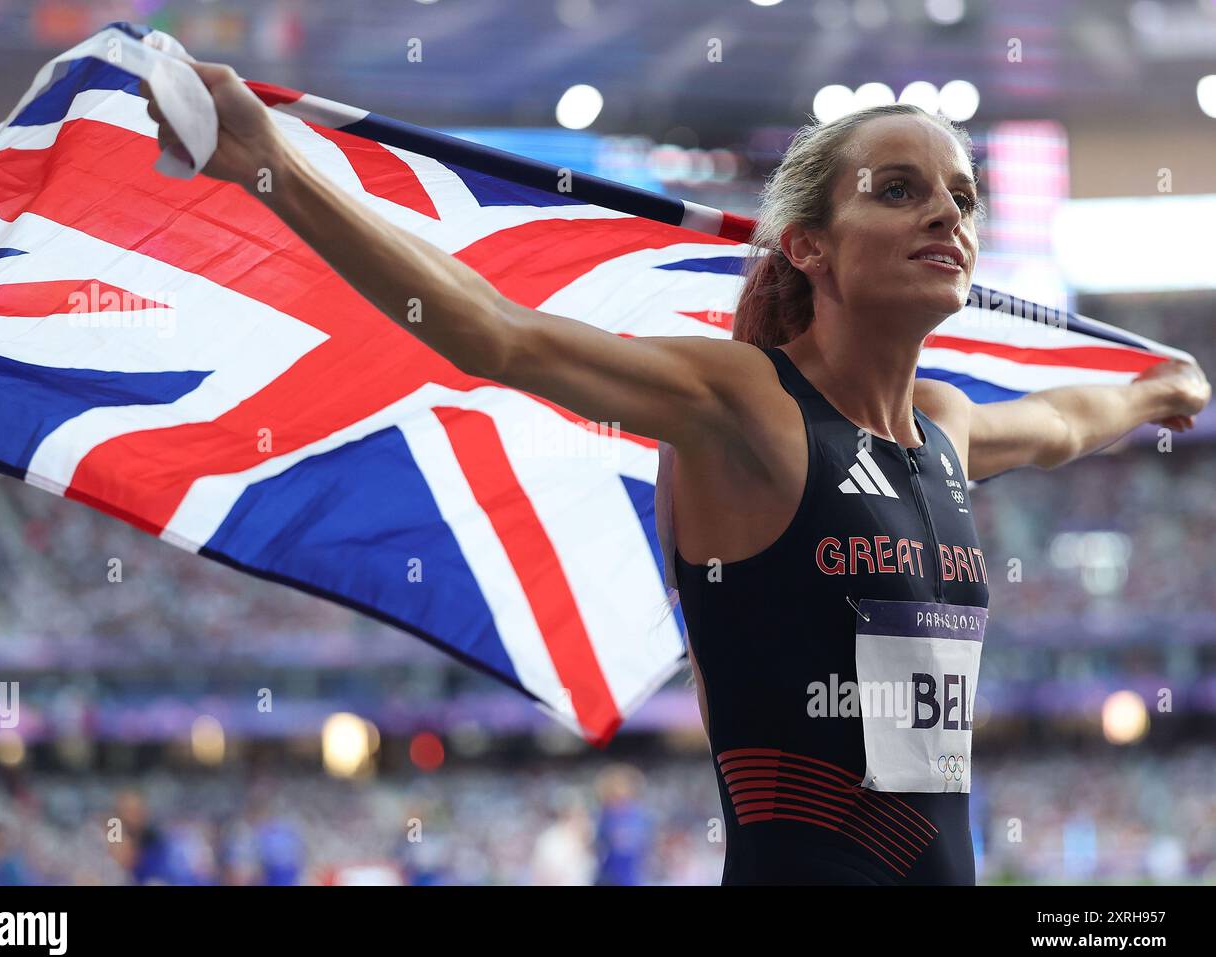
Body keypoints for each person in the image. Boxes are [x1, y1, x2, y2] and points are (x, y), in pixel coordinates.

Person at [140, 65, 1211, 885]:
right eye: (899, 191)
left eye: (961, 196)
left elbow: (1073, 418)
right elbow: (494, 336)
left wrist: (1160, 389)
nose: (948, 214)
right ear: (810, 248)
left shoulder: (942, 431)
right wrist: (266, 161)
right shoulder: (745, 405)